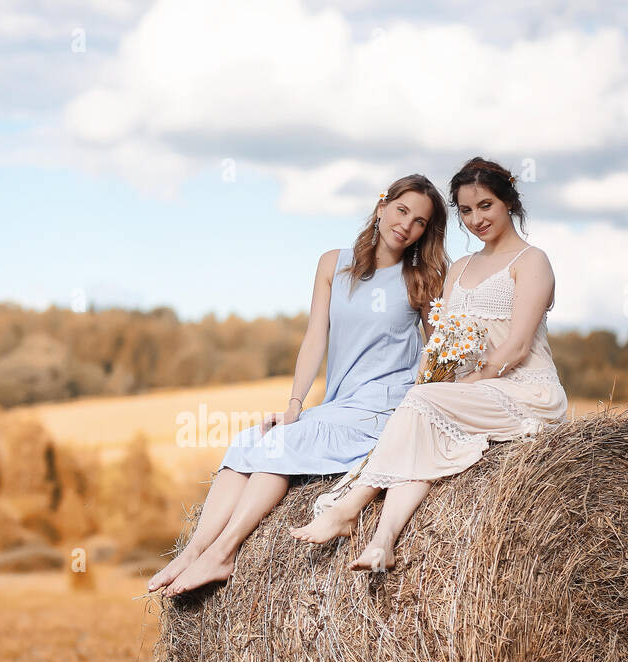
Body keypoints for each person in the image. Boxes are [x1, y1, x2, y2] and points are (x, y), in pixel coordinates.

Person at [149, 173, 449, 595]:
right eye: (402, 210)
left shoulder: (422, 278)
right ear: (382, 207)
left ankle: (225, 553)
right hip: (339, 402)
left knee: (279, 446)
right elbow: (315, 338)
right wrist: (294, 403)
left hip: (383, 409)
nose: (407, 224)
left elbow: (440, 353)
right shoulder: (333, 263)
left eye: (420, 221)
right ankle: (194, 550)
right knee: (248, 442)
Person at [290, 157, 569, 571]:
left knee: (422, 406)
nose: (477, 219)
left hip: (525, 390)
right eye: (467, 210)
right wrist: (436, 375)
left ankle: (351, 507)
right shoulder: (460, 268)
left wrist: (462, 383)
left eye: (486, 205)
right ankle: (382, 542)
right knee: (426, 436)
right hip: (469, 390)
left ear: (508, 201)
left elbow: (517, 346)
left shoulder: (532, 262)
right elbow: (441, 339)